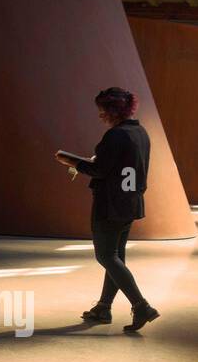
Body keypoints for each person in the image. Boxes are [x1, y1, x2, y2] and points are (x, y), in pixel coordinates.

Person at [55, 87, 160, 333]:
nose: (100, 115)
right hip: (130, 203)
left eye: (103, 110)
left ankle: (141, 306)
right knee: (116, 257)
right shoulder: (140, 133)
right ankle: (103, 307)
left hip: (110, 204)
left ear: (114, 111)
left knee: (105, 256)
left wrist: (72, 162)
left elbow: (100, 170)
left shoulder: (115, 135)